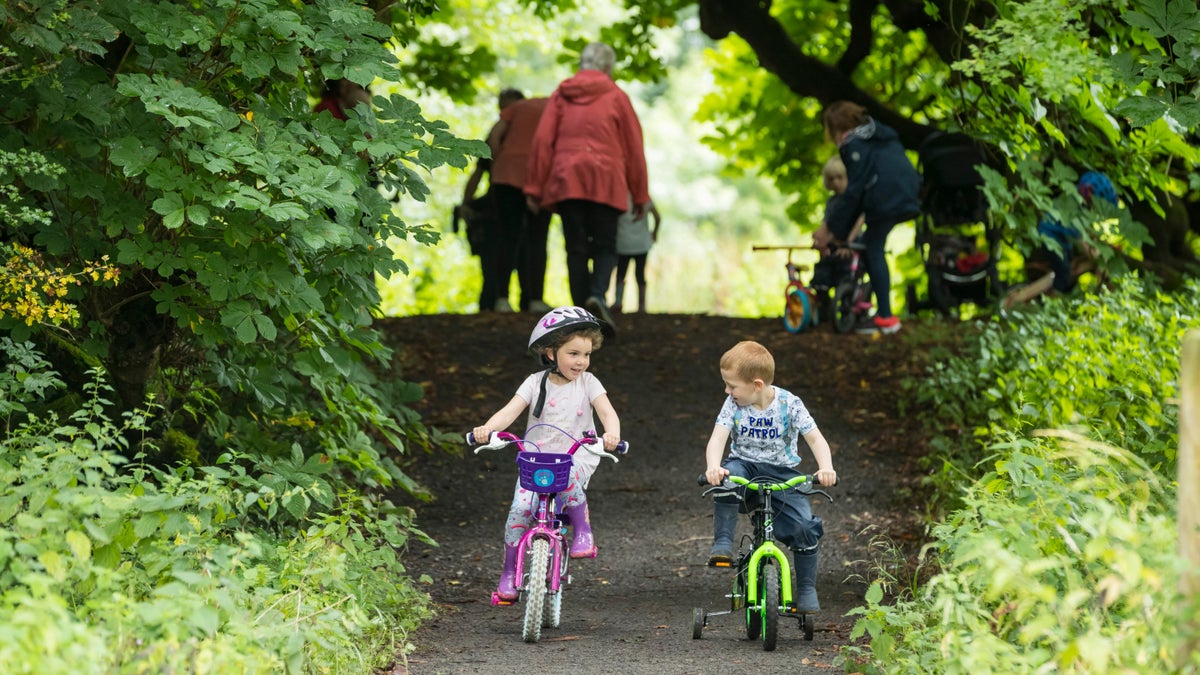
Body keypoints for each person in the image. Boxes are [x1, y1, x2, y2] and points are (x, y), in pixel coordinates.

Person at [472, 306, 622, 601]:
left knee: (566, 478)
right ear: (552, 353)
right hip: (536, 458)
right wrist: (488, 428)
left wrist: (612, 434)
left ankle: (582, 531)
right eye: (573, 353)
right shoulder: (533, 382)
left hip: (576, 455)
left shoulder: (589, 383)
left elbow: (608, 413)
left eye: (587, 354)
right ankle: (508, 573)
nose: (582, 362)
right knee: (519, 511)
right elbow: (510, 411)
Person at [525, 42, 651, 332]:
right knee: (607, 245)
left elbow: (542, 142)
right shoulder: (617, 97)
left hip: (567, 179)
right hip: (607, 179)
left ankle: (581, 314)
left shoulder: (561, 96)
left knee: (576, 248)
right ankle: (597, 294)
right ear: (607, 68)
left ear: (581, 64)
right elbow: (634, 148)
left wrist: (534, 186)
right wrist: (640, 192)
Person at [702, 341, 837, 612]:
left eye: (732, 385)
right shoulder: (733, 405)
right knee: (729, 480)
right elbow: (718, 438)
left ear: (757, 385)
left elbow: (816, 439)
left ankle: (807, 588)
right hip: (745, 467)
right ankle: (723, 542)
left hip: (783, 474)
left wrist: (826, 467)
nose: (727, 391)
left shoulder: (791, 404)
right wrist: (714, 467)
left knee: (804, 526)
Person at [814, 101, 920, 335]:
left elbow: (854, 191)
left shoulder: (854, 144)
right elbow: (859, 193)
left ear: (835, 128)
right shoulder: (876, 136)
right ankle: (880, 312)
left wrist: (830, 230)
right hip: (904, 194)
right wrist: (836, 231)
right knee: (871, 244)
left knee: (873, 247)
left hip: (886, 198)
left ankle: (885, 318)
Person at [486, 88, 553, 314]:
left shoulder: (516, 109)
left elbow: (494, 135)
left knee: (507, 237)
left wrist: (498, 162)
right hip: (541, 178)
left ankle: (502, 298)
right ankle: (535, 299)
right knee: (538, 239)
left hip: (507, 177)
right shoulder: (556, 109)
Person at [1033, 170, 1119, 294]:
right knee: (1063, 274)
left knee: (1071, 267)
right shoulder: (1074, 206)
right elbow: (1081, 240)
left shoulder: (1077, 201)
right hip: (1051, 237)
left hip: (1060, 240)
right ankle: (1050, 303)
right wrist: (1096, 256)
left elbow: (1085, 232)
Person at [809, 156, 864, 301]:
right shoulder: (831, 203)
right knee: (822, 272)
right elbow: (826, 224)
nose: (836, 183)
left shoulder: (855, 201)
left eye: (840, 177)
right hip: (833, 247)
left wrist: (849, 243)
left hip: (851, 246)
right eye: (831, 179)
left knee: (845, 274)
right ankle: (822, 303)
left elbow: (859, 224)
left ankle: (847, 302)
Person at [612, 195, 661, 313]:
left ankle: (618, 302)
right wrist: (654, 233)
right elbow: (658, 217)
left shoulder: (619, 196)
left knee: (621, 273)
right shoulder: (644, 197)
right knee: (640, 274)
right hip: (642, 244)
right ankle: (642, 306)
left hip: (623, 243)